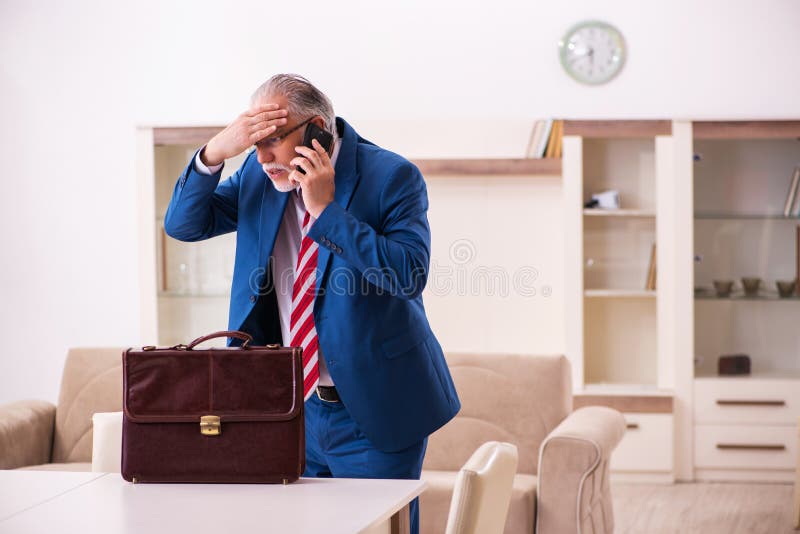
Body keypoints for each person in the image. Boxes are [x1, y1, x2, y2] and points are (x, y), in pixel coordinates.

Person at [164, 74, 460, 533]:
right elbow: (184, 225)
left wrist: (326, 212)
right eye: (253, 144)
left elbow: (408, 275)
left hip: (373, 412)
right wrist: (214, 153)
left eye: (273, 141)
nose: (261, 158)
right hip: (286, 409)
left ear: (317, 129)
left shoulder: (392, 176)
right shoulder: (258, 178)